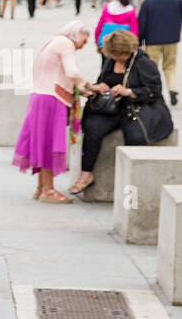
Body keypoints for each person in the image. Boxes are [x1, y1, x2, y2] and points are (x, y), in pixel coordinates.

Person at [69, 30, 175, 196]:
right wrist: (100, 87)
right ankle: (86, 173)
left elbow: (154, 90)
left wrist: (128, 91)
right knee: (92, 128)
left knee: (135, 137)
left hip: (137, 107)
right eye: (114, 55)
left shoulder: (143, 62)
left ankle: (133, 184)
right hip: (112, 107)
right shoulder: (111, 60)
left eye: (120, 55)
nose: (117, 58)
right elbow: (103, 79)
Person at [12, 21, 90, 203]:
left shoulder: (54, 40)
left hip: (39, 95)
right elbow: (71, 71)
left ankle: (41, 188)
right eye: (83, 41)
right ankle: (49, 190)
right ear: (77, 35)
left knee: (42, 142)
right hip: (51, 98)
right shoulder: (66, 44)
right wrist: (87, 84)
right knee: (48, 143)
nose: (82, 46)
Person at [137, 0, 182, 105]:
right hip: (172, 39)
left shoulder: (148, 1)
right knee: (170, 67)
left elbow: (142, 22)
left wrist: (140, 40)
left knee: (152, 68)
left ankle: (154, 92)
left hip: (153, 40)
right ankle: (172, 88)